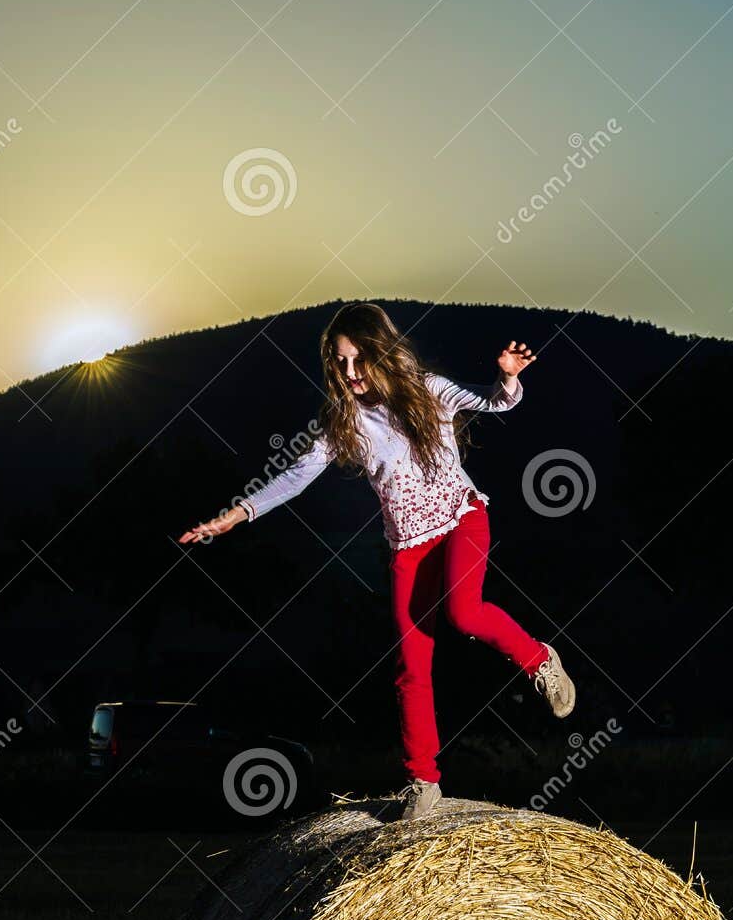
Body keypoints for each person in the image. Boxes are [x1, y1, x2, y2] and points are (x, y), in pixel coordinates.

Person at [179, 302, 574, 819]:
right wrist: (239, 512)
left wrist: (506, 379)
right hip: (406, 544)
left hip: (462, 518)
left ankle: (540, 660)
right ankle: (422, 783)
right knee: (411, 666)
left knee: (464, 613)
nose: (349, 373)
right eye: (339, 363)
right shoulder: (342, 423)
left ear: (382, 353)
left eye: (358, 359)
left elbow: (492, 403)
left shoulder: (429, 391)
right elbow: (296, 475)